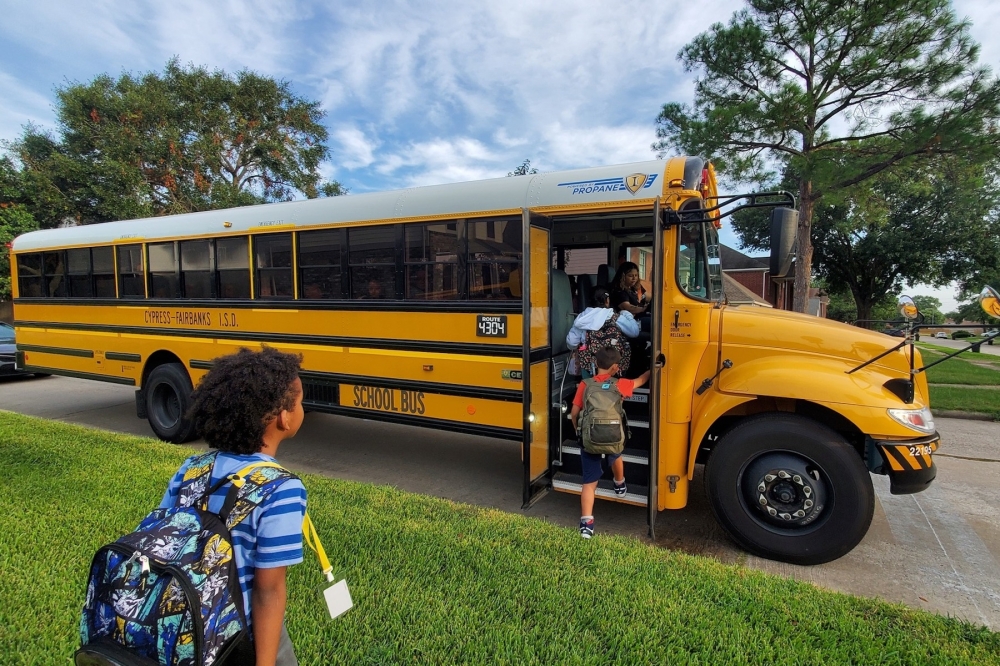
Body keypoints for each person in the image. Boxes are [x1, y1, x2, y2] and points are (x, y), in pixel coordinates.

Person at [159, 347, 307, 666]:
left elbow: (165, 539)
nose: (302, 408)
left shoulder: (191, 467)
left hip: (184, 617)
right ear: (284, 417)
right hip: (238, 634)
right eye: (300, 402)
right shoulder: (282, 488)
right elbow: (268, 591)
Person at [570, 346, 649, 539]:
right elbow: (641, 380)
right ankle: (620, 484)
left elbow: (574, 413)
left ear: (595, 364)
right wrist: (652, 369)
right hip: (613, 436)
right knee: (616, 455)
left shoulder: (585, 385)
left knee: (589, 483)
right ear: (615, 367)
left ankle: (586, 524)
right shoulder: (620, 384)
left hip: (590, 438)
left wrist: (578, 429)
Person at [566, 286, 640, 376]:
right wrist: (626, 313)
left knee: (590, 388)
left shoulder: (582, 319)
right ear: (607, 300)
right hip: (614, 367)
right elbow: (635, 332)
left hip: (590, 367)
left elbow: (571, 342)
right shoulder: (615, 317)